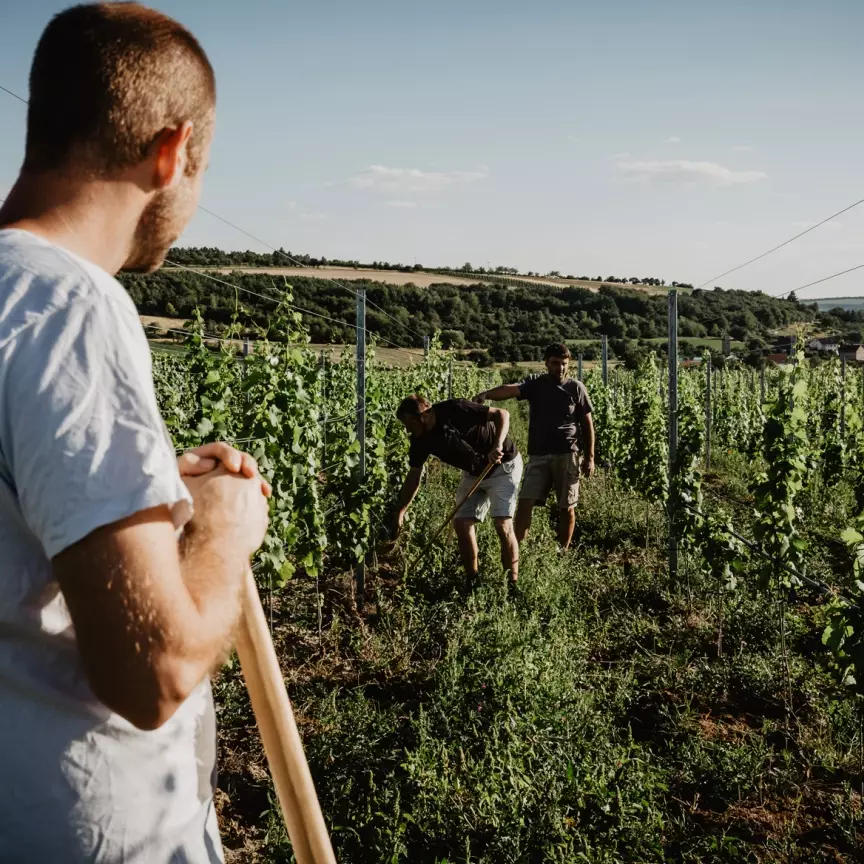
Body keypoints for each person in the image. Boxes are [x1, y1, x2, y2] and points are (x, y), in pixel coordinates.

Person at [0, 4, 270, 861]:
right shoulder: (69, 308)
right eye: (202, 166)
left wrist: (149, 482)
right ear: (171, 151)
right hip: (87, 831)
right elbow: (153, 673)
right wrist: (226, 526)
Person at [474, 343, 594, 550]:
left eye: (564, 364)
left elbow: (587, 424)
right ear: (546, 363)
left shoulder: (576, 388)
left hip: (568, 454)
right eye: (556, 363)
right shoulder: (536, 385)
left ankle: (563, 550)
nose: (561, 368)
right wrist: (486, 394)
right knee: (525, 502)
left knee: (567, 506)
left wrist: (590, 457)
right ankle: (516, 549)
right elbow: (510, 390)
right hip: (539, 455)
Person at [392, 395, 523, 585]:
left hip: (503, 466)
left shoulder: (456, 409)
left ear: (424, 415)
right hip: (473, 473)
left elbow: (502, 414)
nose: (407, 429)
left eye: (410, 423)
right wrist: (401, 510)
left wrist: (497, 445)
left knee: (502, 525)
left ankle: (512, 585)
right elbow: (414, 476)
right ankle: (472, 581)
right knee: (461, 523)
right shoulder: (420, 440)